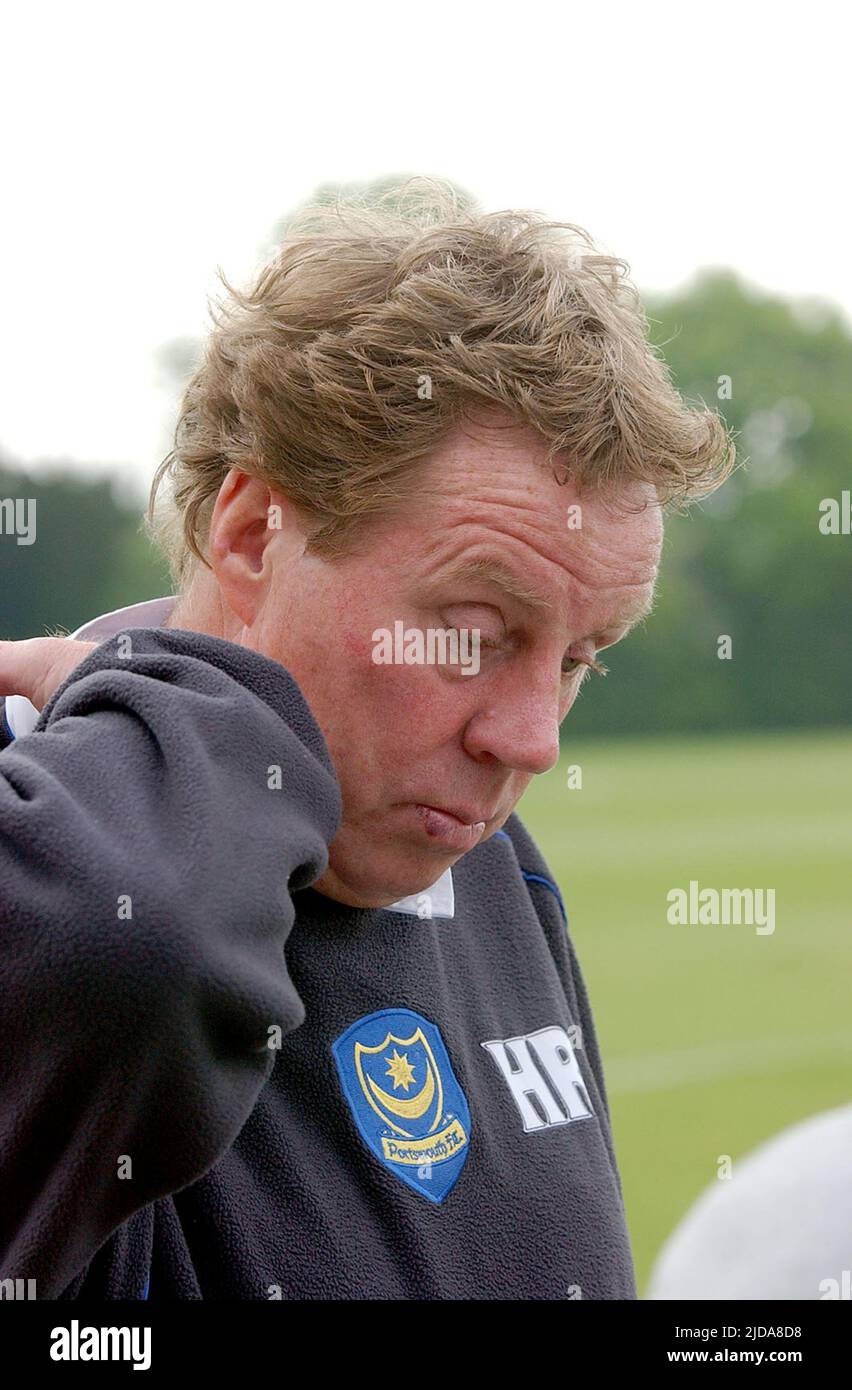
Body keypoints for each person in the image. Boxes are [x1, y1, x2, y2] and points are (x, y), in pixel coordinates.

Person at [0, 185, 733, 1300]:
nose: (532, 740)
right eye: (472, 635)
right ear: (255, 534)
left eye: (579, 658)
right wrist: (156, 695)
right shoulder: (56, 858)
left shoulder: (487, 860)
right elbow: (135, 944)